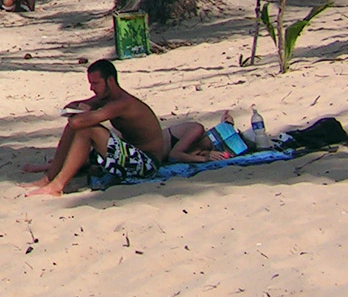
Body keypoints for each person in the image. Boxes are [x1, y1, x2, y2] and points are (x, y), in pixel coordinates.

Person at [23, 59, 226, 196]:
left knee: (86, 129)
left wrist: (84, 112)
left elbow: (78, 122)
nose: (92, 88)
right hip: (132, 155)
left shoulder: (122, 103)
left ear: (110, 81)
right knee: (78, 127)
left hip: (147, 163)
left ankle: (57, 186)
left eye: (96, 83)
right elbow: (71, 109)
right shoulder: (108, 98)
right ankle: (49, 179)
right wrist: (83, 107)